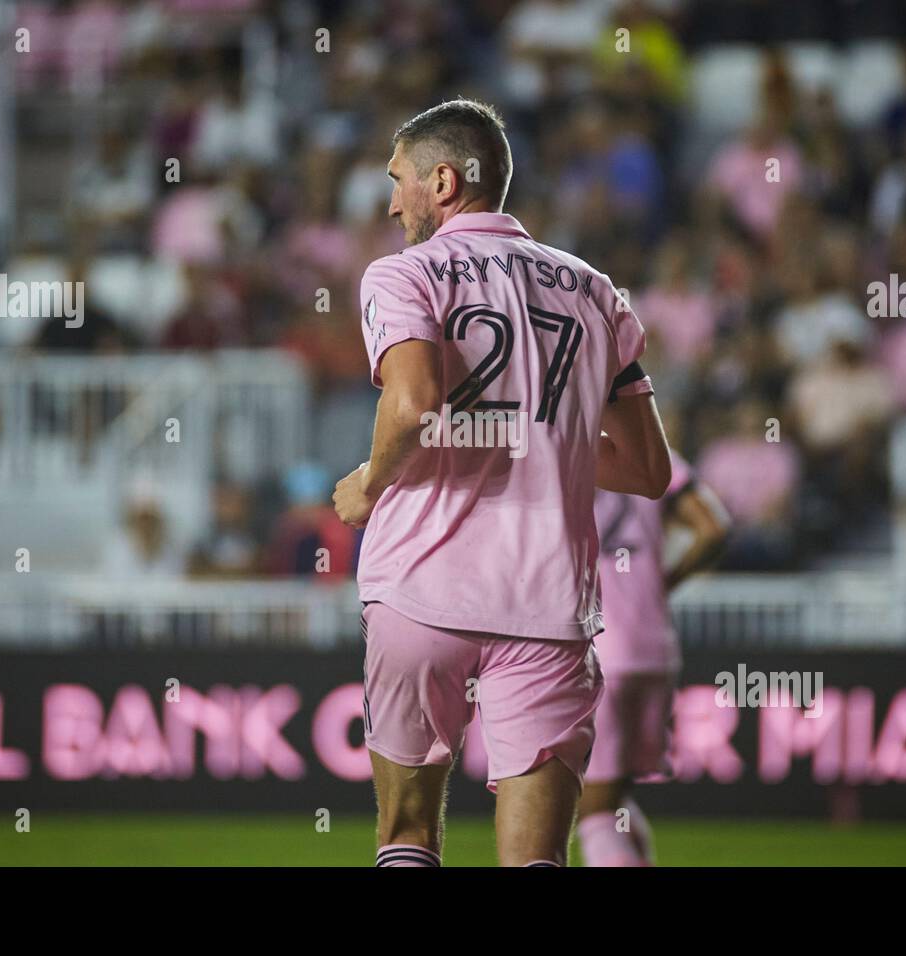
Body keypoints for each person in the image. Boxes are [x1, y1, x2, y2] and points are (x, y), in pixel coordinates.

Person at [332, 98, 672, 867]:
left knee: (408, 835)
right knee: (536, 859)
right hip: (547, 605)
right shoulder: (593, 289)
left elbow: (414, 402)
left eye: (398, 180)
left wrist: (369, 483)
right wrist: (540, 438)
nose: (390, 202)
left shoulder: (401, 275)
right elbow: (650, 470)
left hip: (419, 588)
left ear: (443, 181)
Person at [578, 450, 729, 866]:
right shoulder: (654, 451)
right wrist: (661, 582)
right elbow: (713, 527)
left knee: (596, 812)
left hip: (596, 649)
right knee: (618, 799)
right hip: (654, 648)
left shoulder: (563, 438)